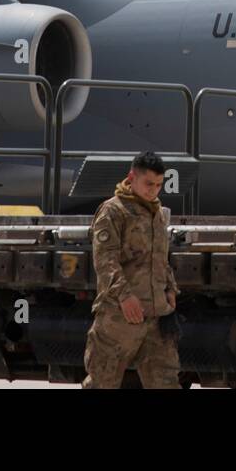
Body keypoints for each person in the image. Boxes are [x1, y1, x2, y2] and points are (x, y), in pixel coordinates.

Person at [81, 151, 182, 389]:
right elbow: (105, 260)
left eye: (159, 185)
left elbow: (159, 257)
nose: (154, 190)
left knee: (166, 382)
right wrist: (125, 296)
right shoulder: (113, 211)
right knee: (102, 382)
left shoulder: (155, 211)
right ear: (131, 177)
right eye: (149, 184)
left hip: (156, 316)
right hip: (120, 316)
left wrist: (170, 288)